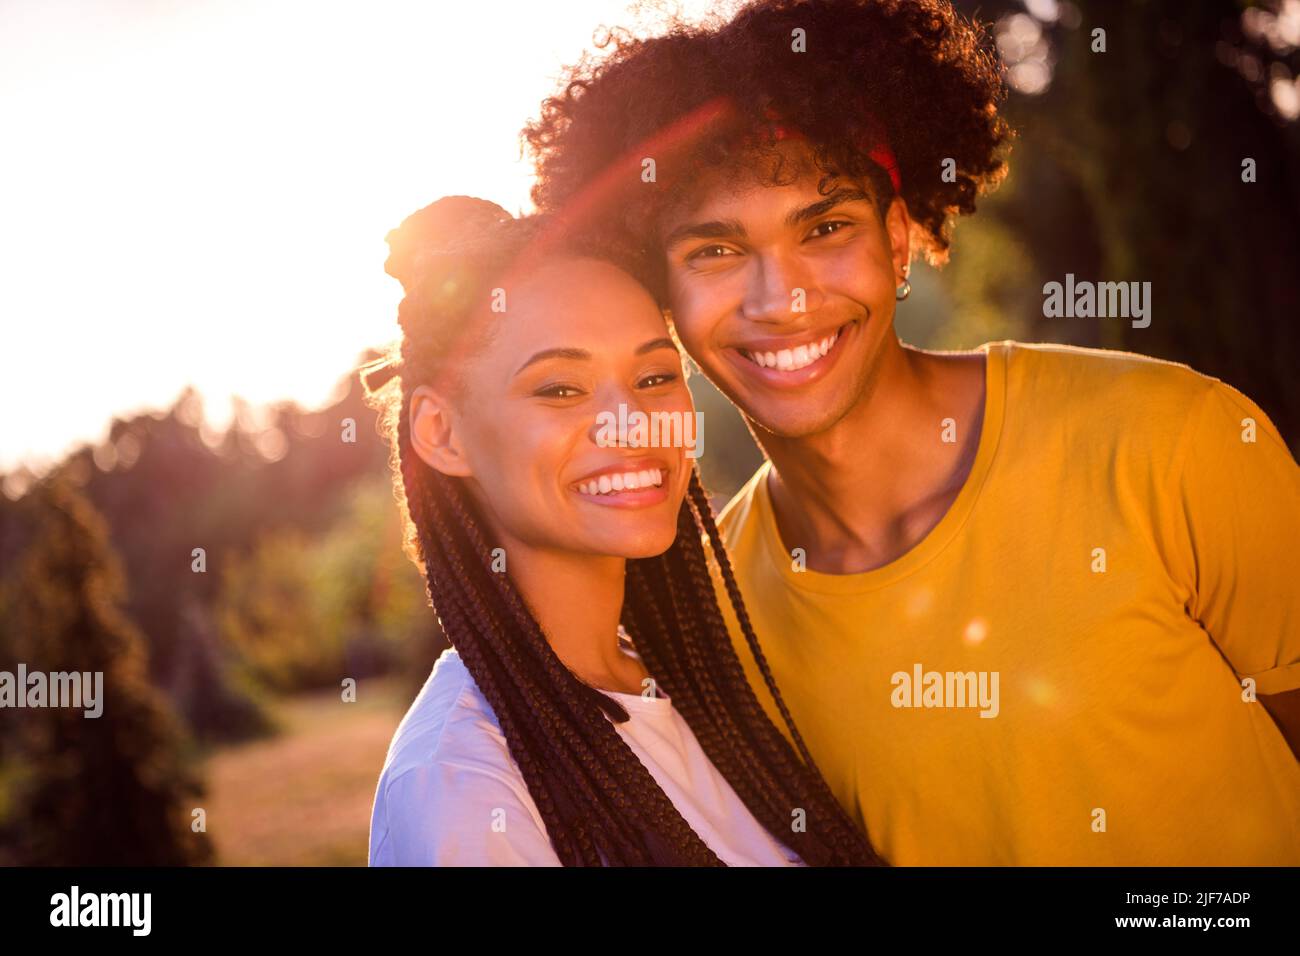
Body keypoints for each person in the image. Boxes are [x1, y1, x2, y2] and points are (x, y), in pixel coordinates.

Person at [522, 0, 1300, 864]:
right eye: (714, 250)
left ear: (897, 242)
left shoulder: (1171, 439)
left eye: (825, 228)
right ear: (663, 298)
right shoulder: (717, 625)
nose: (781, 299)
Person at [363, 195, 882, 866]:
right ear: (441, 432)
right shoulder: (460, 790)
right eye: (560, 389)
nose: (632, 422)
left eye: (655, 376)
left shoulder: (704, 676)